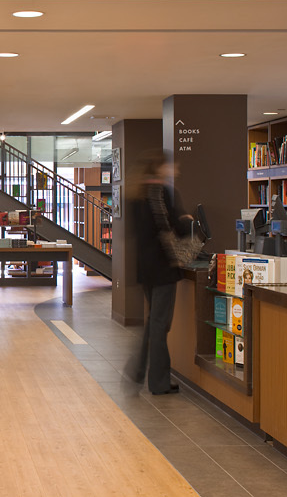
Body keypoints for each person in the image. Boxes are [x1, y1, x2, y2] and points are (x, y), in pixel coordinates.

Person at [125, 150, 194, 395]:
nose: (176, 171)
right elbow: (175, 227)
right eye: (174, 167)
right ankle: (158, 382)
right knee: (159, 324)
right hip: (164, 267)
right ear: (162, 168)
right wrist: (187, 219)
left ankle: (138, 369)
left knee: (154, 320)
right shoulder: (161, 193)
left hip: (146, 267)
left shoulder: (137, 194)